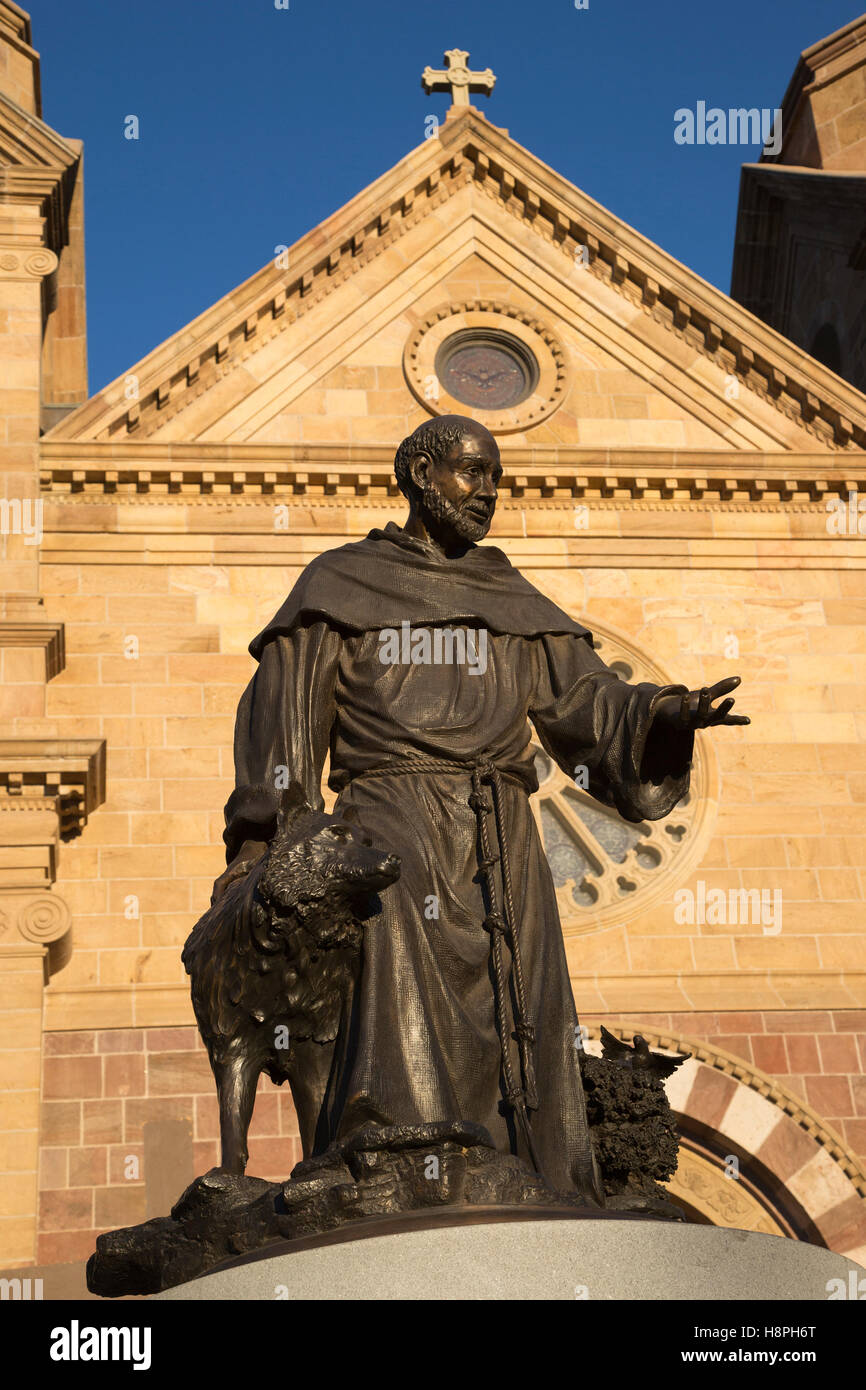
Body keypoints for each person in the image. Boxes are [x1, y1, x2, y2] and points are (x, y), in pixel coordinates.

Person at [214, 414, 748, 1202]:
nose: (486, 492)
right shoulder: (339, 583)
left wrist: (663, 714)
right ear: (420, 475)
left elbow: (586, 698)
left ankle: (529, 1172)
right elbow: (286, 713)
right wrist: (271, 837)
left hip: (501, 828)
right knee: (399, 979)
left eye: (495, 477)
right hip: (389, 815)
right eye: (471, 472)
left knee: (520, 999)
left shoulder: (508, 594)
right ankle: (397, 1159)